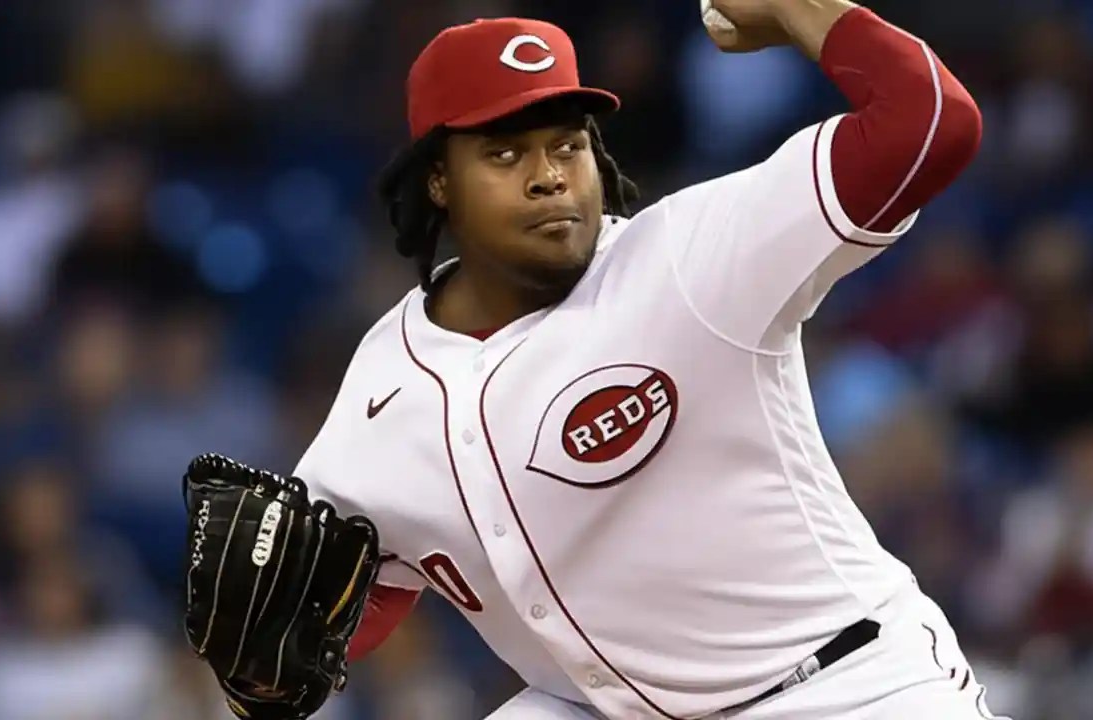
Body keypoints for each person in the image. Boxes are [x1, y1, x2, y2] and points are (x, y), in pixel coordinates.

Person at [292, 1, 990, 717]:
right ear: (439, 180)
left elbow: (933, 123)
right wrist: (273, 650)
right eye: (505, 153)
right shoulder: (383, 378)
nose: (549, 177)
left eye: (567, 145)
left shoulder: (687, 258)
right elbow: (339, 609)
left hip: (848, 685)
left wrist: (797, 8)